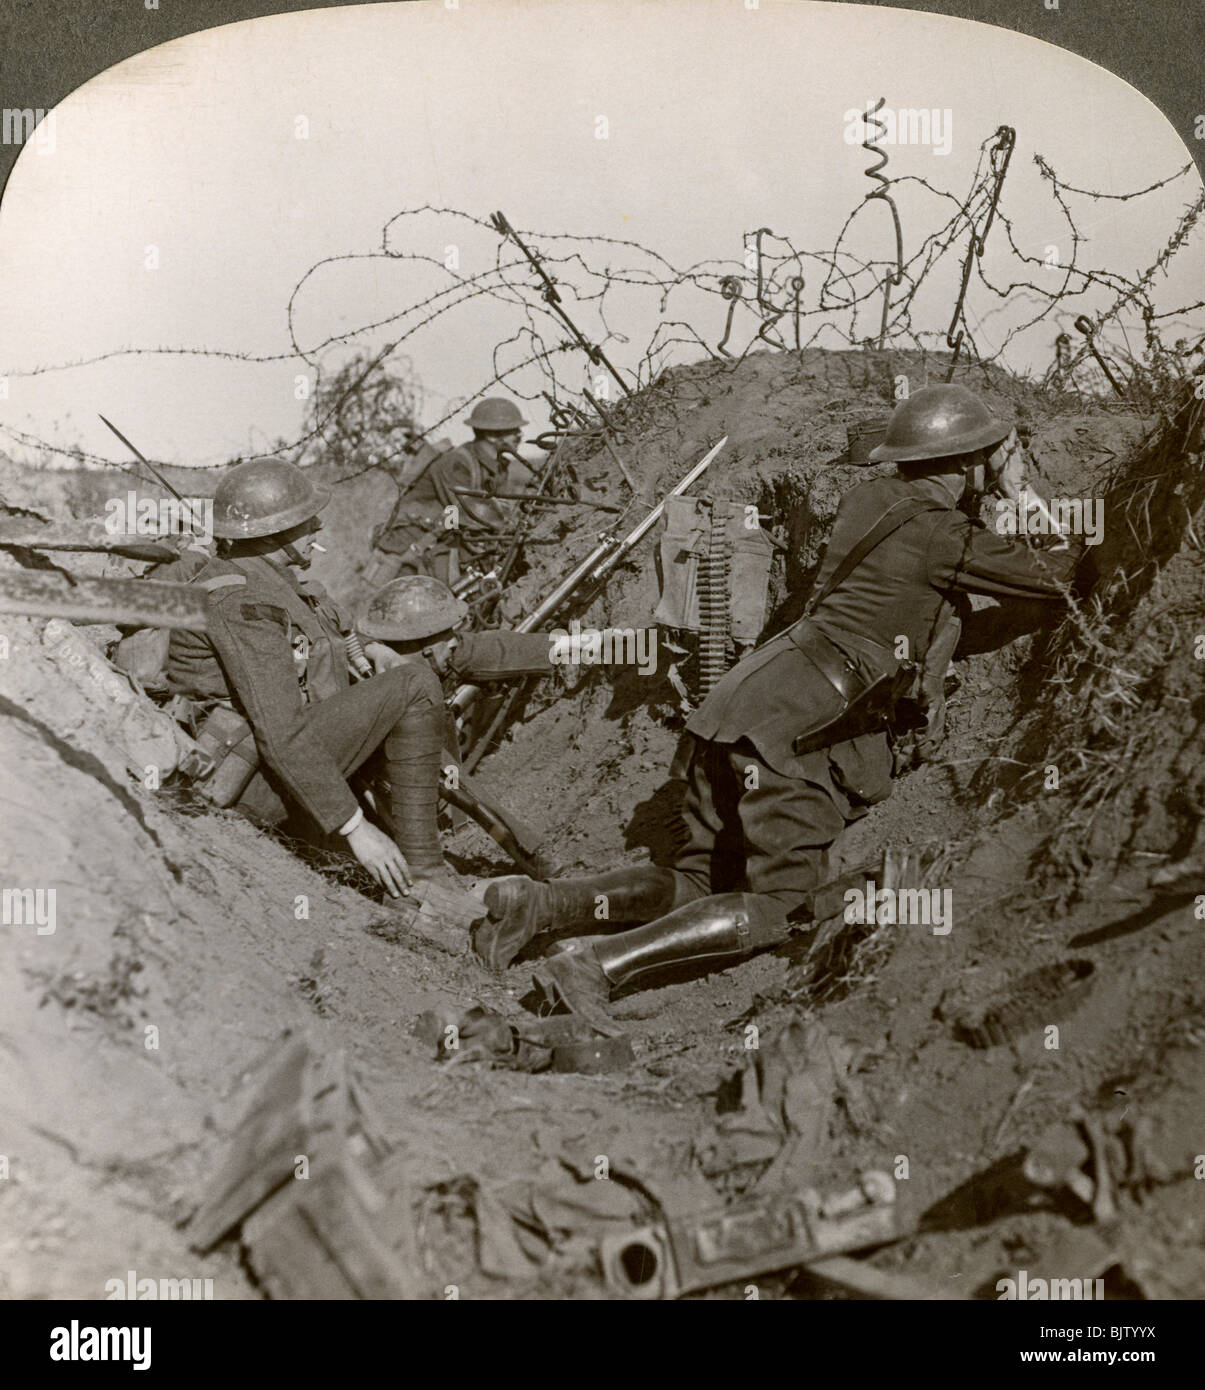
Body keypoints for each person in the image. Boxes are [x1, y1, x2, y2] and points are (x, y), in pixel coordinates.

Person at [473, 384, 1087, 1022]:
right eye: (987, 454)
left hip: (735, 704)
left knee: (698, 881)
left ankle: (540, 906)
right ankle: (593, 967)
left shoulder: (870, 498)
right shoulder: (943, 534)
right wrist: (1020, 493)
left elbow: (906, 611)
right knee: (780, 905)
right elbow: (1060, 571)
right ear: (967, 463)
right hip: (796, 730)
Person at [165, 457, 450, 897]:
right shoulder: (241, 601)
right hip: (251, 785)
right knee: (413, 684)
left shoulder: (272, 582)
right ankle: (426, 880)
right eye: (305, 519)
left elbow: (323, 654)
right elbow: (280, 731)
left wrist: (372, 652)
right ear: (273, 533)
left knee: (399, 684)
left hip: (275, 767)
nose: (317, 526)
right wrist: (355, 827)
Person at [374, 397, 531, 586]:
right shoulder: (456, 462)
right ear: (492, 435)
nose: (519, 435)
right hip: (412, 547)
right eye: (513, 430)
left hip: (442, 542)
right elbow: (470, 512)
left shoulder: (497, 466)